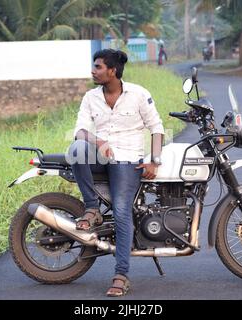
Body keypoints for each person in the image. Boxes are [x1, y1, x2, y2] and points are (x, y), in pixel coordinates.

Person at [66, 49, 165, 297]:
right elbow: (79, 131)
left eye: (98, 67)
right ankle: (92, 208)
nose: (93, 70)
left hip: (127, 160)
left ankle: (121, 275)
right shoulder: (90, 97)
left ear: (112, 71)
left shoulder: (139, 94)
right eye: (94, 66)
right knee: (77, 148)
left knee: (122, 211)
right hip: (101, 156)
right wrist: (98, 142)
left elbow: (157, 127)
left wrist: (154, 161)